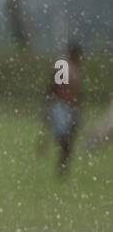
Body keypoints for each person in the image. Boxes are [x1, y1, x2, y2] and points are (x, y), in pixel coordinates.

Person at [44, 41, 83, 177]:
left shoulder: (74, 68)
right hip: (60, 106)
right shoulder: (64, 66)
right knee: (64, 139)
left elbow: (75, 91)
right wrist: (50, 104)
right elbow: (53, 86)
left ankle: (63, 163)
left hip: (69, 106)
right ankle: (62, 165)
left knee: (71, 136)